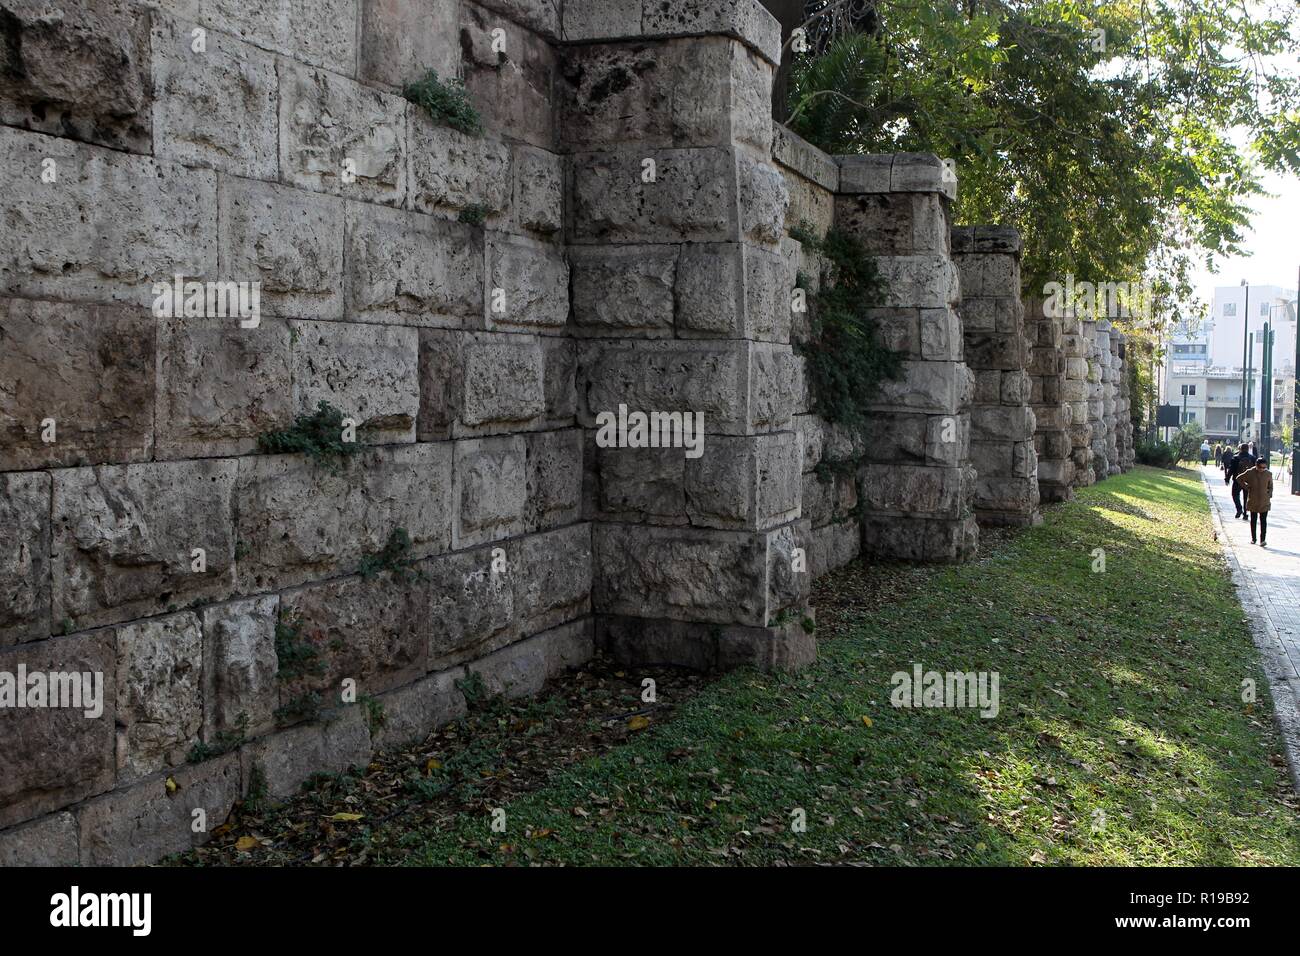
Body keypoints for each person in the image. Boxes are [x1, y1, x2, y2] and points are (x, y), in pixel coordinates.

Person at [1235, 456, 1273, 546]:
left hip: (1264, 501)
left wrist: (1269, 494)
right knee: (1253, 520)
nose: (1262, 469)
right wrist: (1246, 487)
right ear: (1256, 465)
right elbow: (1238, 478)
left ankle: (1262, 540)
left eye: (1264, 467)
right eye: (1260, 467)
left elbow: (1270, 486)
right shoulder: (1250, 472)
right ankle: (1253, 538)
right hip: (1253, 500)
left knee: (1263, 521)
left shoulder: (1268, 474)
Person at [1229, 442, 1256, 518]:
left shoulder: (1236, 458)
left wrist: (1227, 478)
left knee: (1235, 495)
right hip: (1249, 481)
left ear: (1240, 449)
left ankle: (1239, 509)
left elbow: (1231, 469)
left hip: (1237, 480)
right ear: (1248, 449)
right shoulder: (1253, 458)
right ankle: (1245, 513)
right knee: (1246, 497)